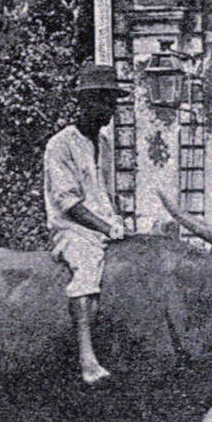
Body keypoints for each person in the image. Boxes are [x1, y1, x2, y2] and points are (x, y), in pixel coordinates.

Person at [43, 62, 130, 385]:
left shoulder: (104, 145)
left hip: (104, 225)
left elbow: (105, 193)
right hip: (73, 229)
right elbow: (68, 202)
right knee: (86, 268)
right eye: (101, 101)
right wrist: (105, 228)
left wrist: (117, 221)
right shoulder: (60, 145)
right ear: (83, 103)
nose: (108, 110)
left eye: (112, 102)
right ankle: (86, 357)